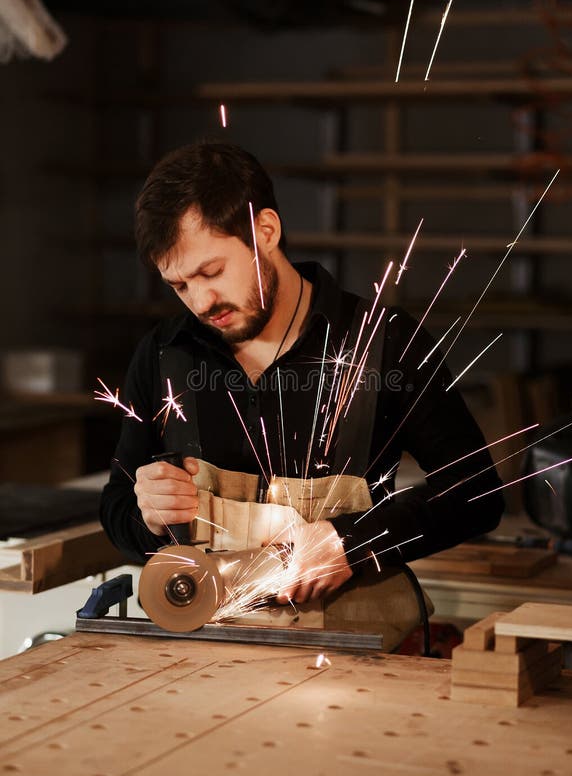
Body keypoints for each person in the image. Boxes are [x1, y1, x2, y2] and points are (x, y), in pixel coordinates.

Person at [100, 141, 504, 610]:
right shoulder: (163, 356)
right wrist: (146, 516)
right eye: (180, 286)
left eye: (212, 272)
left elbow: (477, 493)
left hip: (348, 651)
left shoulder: (382, 344)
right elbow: (116, 508)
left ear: (265, 231)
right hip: (204, 643)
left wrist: (353, 543)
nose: (200, 302)